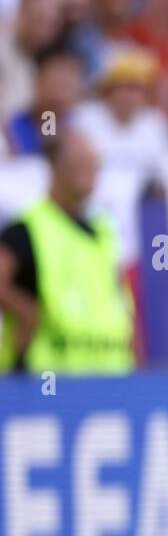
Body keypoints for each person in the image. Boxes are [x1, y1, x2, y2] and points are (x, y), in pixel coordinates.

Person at [0, 131, 134, 373]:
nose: (90, 173)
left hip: (110, 376)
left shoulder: (105, 231)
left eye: (94, 164)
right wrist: (27, 314)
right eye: (80, 163)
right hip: (47, 380)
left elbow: (121, 301)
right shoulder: (28, 228)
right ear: (55, 166)